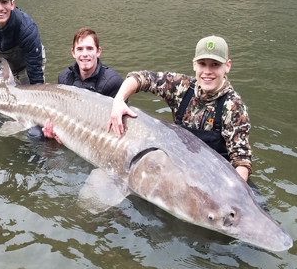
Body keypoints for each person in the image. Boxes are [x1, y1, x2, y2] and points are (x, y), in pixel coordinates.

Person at [106, 36, 253, 182]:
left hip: (217, 179)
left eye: (215, 64)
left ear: (227, 66)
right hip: (183, 169)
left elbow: (241, 163)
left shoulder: (234, 107)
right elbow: (141, 78)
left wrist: (228, 195)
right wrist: (118, 101)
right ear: (195, 65)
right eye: (202, 64)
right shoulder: (182, 87)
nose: (207, 71)